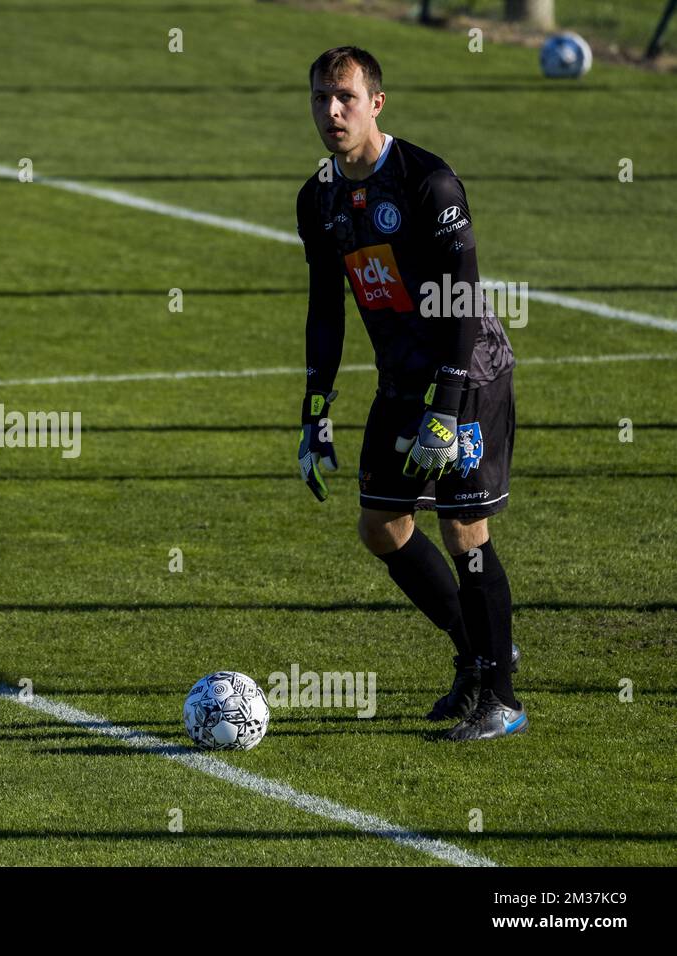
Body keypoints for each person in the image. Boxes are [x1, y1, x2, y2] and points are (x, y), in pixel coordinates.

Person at [294, 46, 527, 741]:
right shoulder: (320, 196)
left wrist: (449, 408)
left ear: (376, 104)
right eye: (319, 99)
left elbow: (462, 295)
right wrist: (315, 410)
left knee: (465, 531)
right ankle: (478, 656)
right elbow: (325, 309)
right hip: (400, 377)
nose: (331, 111)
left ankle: (503, 698)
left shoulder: (429, 183)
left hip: (468, 371)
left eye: (344, 97)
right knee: (382, 527)